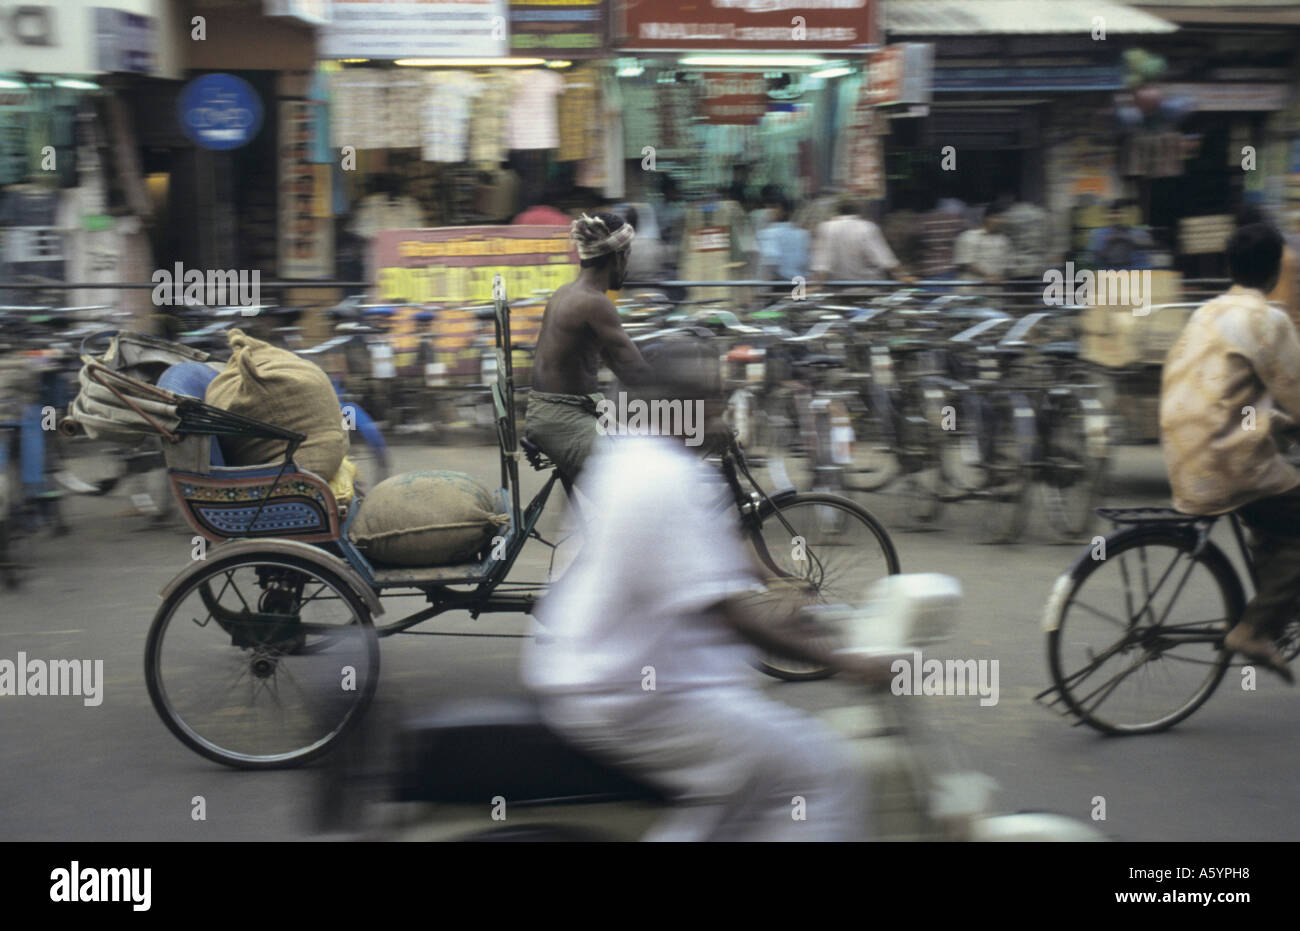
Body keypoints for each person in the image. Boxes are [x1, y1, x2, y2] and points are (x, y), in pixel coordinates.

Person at [522, 337, 881, 840]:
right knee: (821, 773)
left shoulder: (640, 457)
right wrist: (847, 663)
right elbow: (730, 614)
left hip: (627, 678)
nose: (722, 416)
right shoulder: (660, 477)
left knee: (741, 790)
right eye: (712, 402)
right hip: (630, 695)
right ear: (680, 407)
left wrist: (792, 597)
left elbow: (726, 552)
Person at [1160, 221, 1300, 682]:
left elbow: (1231, 396)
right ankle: (1256, 628)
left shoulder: (1209, 311)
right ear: (1277, 270)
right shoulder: (1269, 319)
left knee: (1275, 511)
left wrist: (1275, 423)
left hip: (1186, 457)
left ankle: (1270, 602)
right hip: (1228, 463)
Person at [523, 212, 652, 483]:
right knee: (636, 476)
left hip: (564, 410)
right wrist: (687, 387)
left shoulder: (567, 293)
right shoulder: (594, 302)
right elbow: (637, 373)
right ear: (618, 256)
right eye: (627, 255)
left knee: (638, 441)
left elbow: (621, 366)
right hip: (561, 418)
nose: (627, 263)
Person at [810, 198, 913, 286]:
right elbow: (884, 258)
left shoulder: (826, 227)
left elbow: (822, 262)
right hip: (868, 287)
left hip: (837, 287)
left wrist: (817, 285)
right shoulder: (867, 227)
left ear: (837, 211)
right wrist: (903, 276)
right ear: (858, 212)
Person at [755, 193, 810, 286]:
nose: (768, 211)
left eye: (772, 207)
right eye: (767, 207)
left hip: (780, 286)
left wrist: (761, 291)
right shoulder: (802, 234)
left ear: (782, 210)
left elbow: (771, 264)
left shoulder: (768, 234)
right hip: (801, 285)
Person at [953, 203, 1012, 284]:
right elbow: (965, 264)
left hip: (995, 291)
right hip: (971, 289)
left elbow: (1007, 266)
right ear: (988, 218)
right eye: (999, 218)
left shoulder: (1004, 240)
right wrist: (989, 276)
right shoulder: (968, 236)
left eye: (1004, 218)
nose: (1003, 221)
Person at [1086, 199, 1153, 270]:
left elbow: (1146, 258)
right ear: (1105, 215)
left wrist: (1126, 238)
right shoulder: (1098, 234)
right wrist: (1107, 244)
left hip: (1133, 275)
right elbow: (1091, 259)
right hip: (1108, 274)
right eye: (1112, 213)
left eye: (1119, 212)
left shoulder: (1139, 233)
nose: (1116, 216)